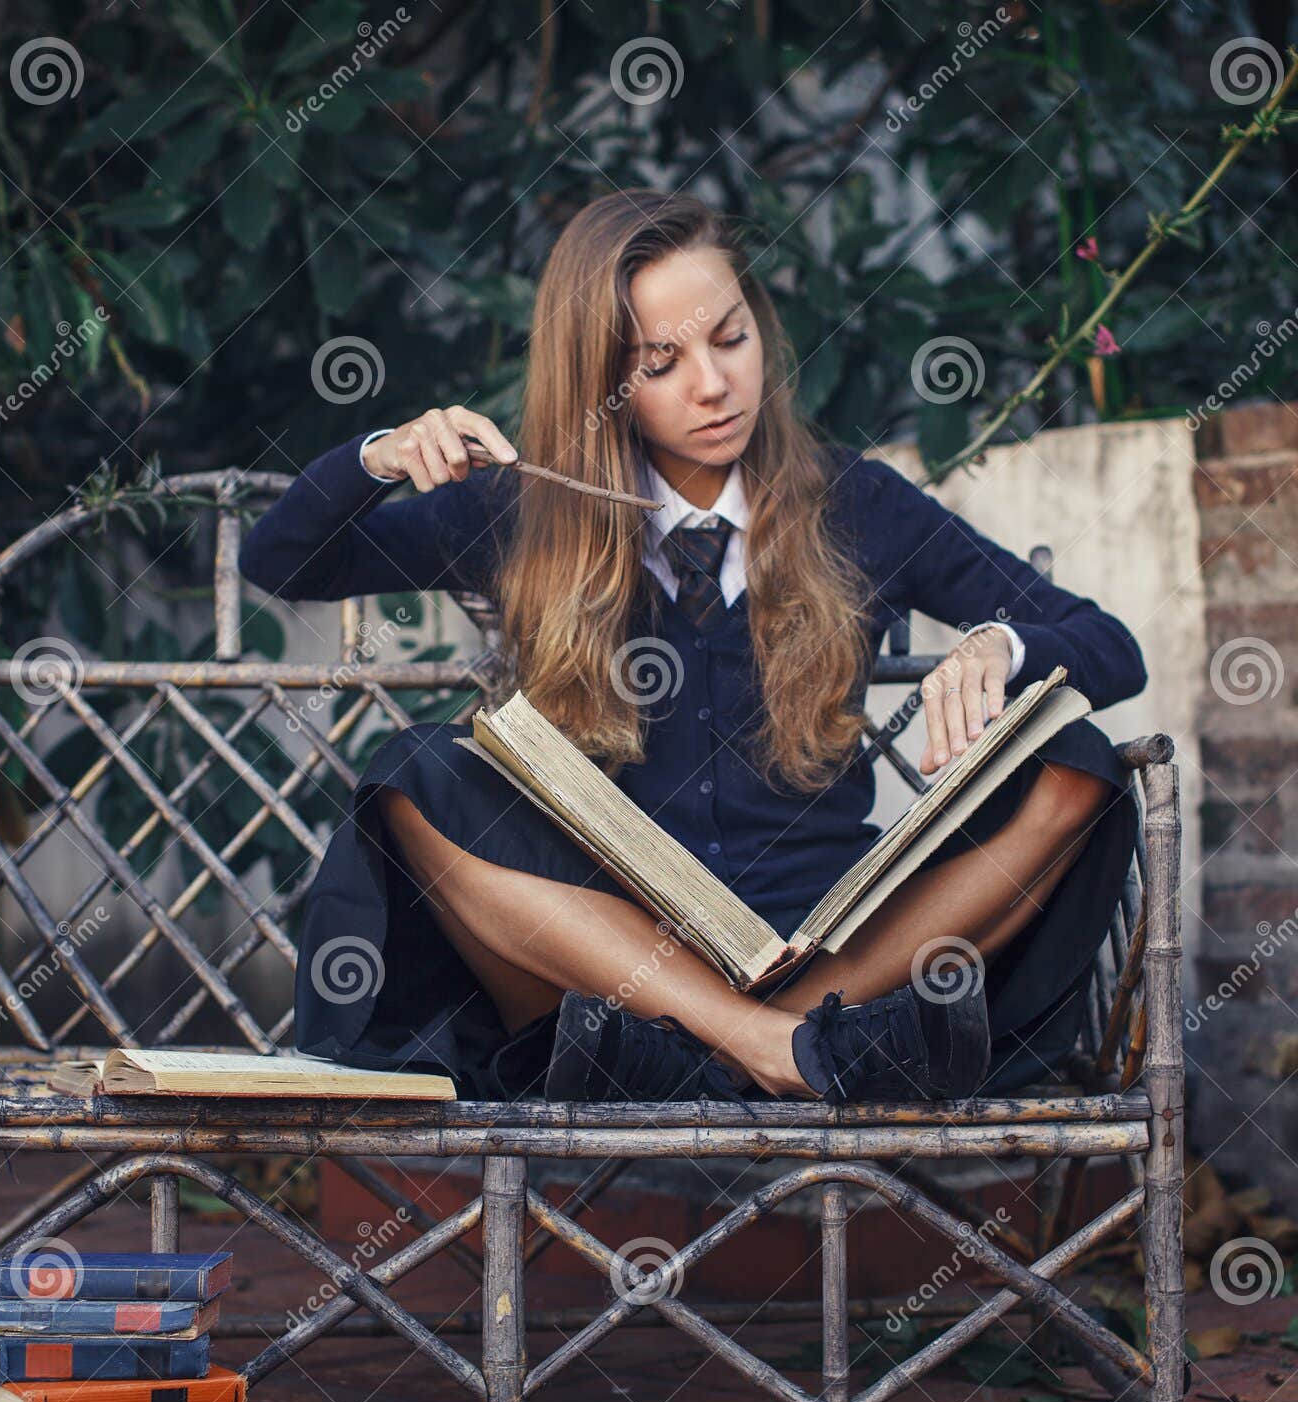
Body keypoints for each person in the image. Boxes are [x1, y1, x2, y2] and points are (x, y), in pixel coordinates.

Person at [239, 190, 1147, 1106]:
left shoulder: (858, 504)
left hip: (845, 952)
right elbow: (285, 560)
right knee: (414, 774)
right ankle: (765, 1045)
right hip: (618, 968)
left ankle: (774, 1036)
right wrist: (380, 455)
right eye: (662, 362)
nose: (714, 386)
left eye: (732, 339)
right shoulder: (522, 515)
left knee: (1075, 762)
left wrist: (998, 646)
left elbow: (1108, 646)